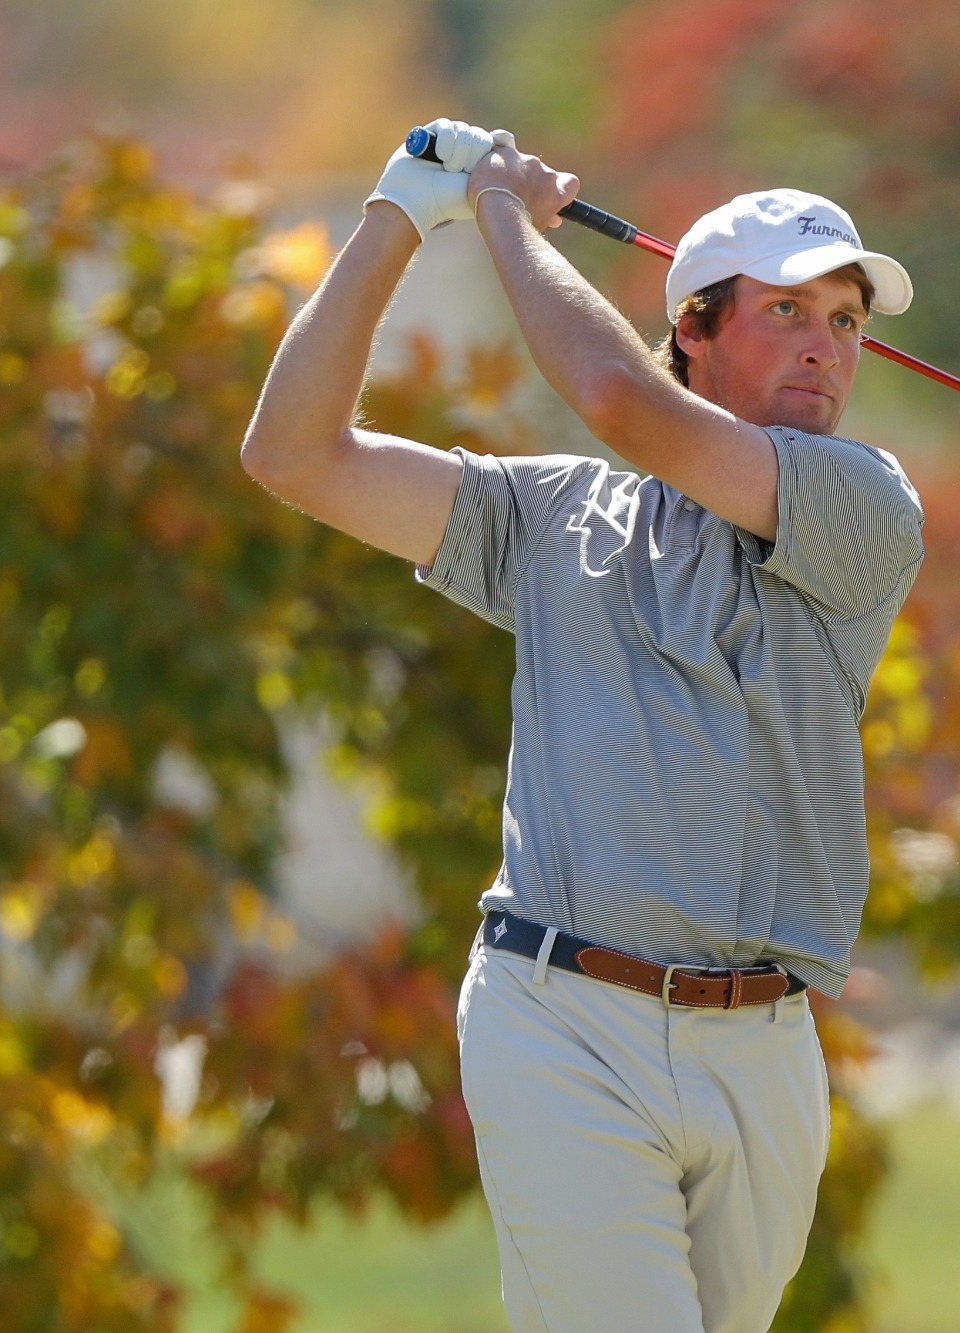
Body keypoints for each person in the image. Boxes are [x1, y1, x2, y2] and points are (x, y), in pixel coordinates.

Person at [239, 117, 924, 1333]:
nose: (826, 347)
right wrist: (402, 211)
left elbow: (615, 400)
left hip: (763, 1047)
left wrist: (501, 208)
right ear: (694, 330)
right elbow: (294, 453)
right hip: (559, 1021)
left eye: (846, 320)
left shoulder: (866, 506)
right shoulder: (555, 519)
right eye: (785, 311)